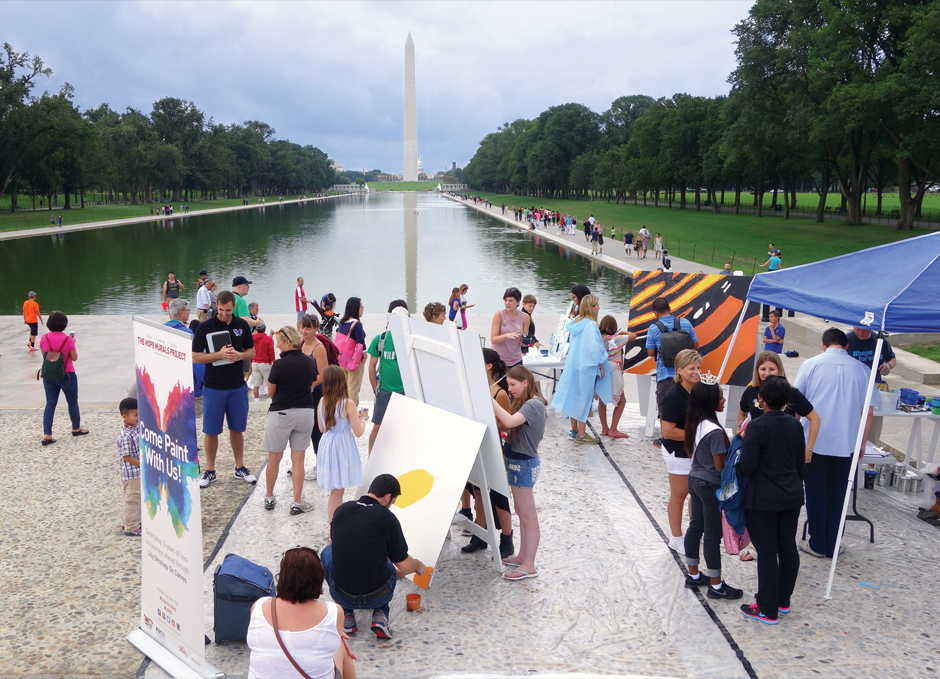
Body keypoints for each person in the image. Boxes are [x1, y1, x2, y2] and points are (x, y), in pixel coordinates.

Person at [793, 328, 873, 559]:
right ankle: (834, 544)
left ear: (823, 345)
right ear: (847, 346)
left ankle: (818, 543)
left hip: (814, 442)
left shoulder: (810, 365)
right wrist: (863, 442)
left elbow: (797, 403)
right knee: (839, 493)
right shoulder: (863, 370)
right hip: (847, 443)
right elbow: (868, 412)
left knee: (816, 492)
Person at [320, 474, 427, 640]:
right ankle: (380, 614)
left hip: (343, 593)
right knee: (389, 567)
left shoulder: (342, 510)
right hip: (377, 596)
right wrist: (419, 565)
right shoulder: (386, 517)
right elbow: (404, 566)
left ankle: (346, 614)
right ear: (387, 497)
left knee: (327, 552)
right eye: (393, 502)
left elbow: (337, 542)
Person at [739, 376, 806, 625]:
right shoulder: (795, 425)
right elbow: (800, 464)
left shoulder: (757, 426)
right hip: (791, 494)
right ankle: (782, 600)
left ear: (761, 400)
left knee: (766, 550)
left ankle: (766, 609)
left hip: (764, 498)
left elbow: (747, 466)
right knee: (787, 546)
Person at [247, 547, 356, 679]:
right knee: (341, 645)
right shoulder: (334, 612)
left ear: (282, 577)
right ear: (318, 578)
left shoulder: (258, 607)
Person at [682, 378, 744, 601]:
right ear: (710, 402)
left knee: (695, 527)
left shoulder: (696, 423)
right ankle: (716, 586)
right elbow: (720, 467)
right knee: (711, 536)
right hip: (710, 485)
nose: (724, 399)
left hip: (694, 480)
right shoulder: (715, 432)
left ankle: (694, 575)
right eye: (719, 396)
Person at [192, 290, 257, 488]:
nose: (224, 314)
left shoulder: (242, 325)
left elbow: (252, 351)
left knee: (237, 429)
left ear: (233, 308)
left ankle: (240, 468)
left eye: (228, 310)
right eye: (220, 310)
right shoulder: (206, 327)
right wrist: (218, 355)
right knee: (211, 431)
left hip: (237, 386)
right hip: (213, 387)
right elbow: (195, 356)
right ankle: (210, 471)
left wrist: (239, 356)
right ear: (216, 306)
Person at [491, 366, 546, 580]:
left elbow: (511, 422)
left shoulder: (533, 403)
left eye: (513, 385)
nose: (510, 389)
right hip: (517, 462)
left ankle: (529, 564)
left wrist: (492, 401)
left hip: (523, 464)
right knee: (522, 512)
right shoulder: (527, 402)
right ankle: (523, 555)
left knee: (528, 515)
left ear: (525, 382)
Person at [462, 348, 514, 559]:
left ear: (488, 365)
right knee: (478, 489)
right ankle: (480, 534)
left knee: (498, 494)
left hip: (493, 445)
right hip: (476, 443)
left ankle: (507, 540)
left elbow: (508, 425)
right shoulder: (475, 387)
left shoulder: (499, 393)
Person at [261, 326, 318, 515]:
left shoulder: (278, 365)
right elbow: (310, 386)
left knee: (274, 458)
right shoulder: (309, 362)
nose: (277, 345)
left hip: (282, 413)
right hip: (305, 412)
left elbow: (270, 391)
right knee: (298, 459)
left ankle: (269, 496)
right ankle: (296, 501)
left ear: (287, 342)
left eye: (278, 342)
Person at [551, 294, 611, 445]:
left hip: (574, 365)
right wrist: (601, 364)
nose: (599, 308)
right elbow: (594, 349)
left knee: (574, 396)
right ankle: (582, 434)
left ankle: (574, 430)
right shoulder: (590, 325)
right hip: (586, 368)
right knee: (584, 400)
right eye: (597, 305)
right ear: (591, 307)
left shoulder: (577, 322)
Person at [660, 349, 702, 554]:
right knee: (680, 494)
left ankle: (694, 532)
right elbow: (667, 432)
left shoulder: (699, 391)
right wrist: (696, 435)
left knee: (696, 493)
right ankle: (676, 537)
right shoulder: (673, 396)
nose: (696, 372)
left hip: (695, 451)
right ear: (680, 371)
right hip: (678, 452)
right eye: (691, 368)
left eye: (698, 368)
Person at [736, 351, 820, 453]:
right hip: (757, 449)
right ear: (757, 370)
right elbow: (742, 412)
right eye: (763, 369)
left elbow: (815, 418)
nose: (767, 373)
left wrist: (809, 448)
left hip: (784, 451)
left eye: (772, 369)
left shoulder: (791, 393)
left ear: (779, 370)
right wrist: (743, 431)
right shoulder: (750, 391)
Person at [318, 365, 367, 524]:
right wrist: (362, 419)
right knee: (337, 492)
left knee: (336, 488)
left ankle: (336, 525)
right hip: (341, 446)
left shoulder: (322, 401)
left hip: (327, 444)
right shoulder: (348, 403)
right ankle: (333, 528)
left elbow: (321, 428)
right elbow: (358, 432)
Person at [646, 297, 699, 420]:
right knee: (688, 409)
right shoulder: (685, 323)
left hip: (665, 375)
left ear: (655, 313)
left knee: (665, 412)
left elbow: (650, 352)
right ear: (670, 309)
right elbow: (696, 345)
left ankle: (667, 437)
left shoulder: (653, 328)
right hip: (686, 375)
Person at [40, 311, 88, 445]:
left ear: (49, 323)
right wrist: (72, 343)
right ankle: (76, 428)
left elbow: (45, 355)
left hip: (49, 374)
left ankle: (47, 434)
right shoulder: (68, 340)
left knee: (50, 403)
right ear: (64, 324)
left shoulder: (44, 337)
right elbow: (74, 358)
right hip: (67, 374)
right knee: (72, 401)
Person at [367, 301, 409, 452]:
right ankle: (371, 460)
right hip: (384, 390)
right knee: (378, 427)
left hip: (405, 392)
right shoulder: (381, 339)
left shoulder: (410, 340)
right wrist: (374, 389)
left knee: (403, 429)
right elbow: (371, 366)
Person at [597, 315, 636, 438]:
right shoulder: (616, 339)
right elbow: (633, 336)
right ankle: (613, 429)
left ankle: (604, 428)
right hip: (614, 374)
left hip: (602, 374)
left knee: (602, 401)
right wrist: (623, 332)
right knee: (621, 401)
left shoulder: (598, 339)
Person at [165, 299, 206, 417]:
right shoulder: (187, 335)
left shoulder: (160, 332)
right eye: (188, 310)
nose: (189, 313)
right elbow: (198, 362)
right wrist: (204, 381)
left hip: (168, 389)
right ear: (181, 312)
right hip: (189, 391)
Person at [300, 315, 329, 458]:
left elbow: (323, 374)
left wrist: (308, 385)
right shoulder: (301, 344)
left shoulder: (319, 348)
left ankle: (321, 461)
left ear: (316, 329)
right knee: (304, 428)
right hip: (304, 392)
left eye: (308, 328)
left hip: (316, 393)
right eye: (302, 327)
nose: (304, 331)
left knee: (317, 429)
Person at [336, 297, 367, 406]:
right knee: (353, 388)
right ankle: (352, 412)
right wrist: (365, 354)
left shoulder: (342, 322)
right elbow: (360, 342)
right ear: (356, 308)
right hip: (354, 360)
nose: (363, 308)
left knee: (344, 388)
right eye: (361, 306)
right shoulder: (356, 324)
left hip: (342, 359)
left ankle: (343, 409)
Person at [117, 397, 141, 537]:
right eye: (135, 415)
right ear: (124, 416)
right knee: (133, 499)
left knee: (137, 498)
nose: (138, 417)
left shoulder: (135, 429)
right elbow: (126, 456)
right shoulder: (126, 435)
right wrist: (141, 464)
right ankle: (131, 527)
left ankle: (136, 522)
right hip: (132, 474)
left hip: (137, 473)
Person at [491, 287, 530, 369]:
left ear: (518, 302)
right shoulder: (499, 315)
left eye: (511, 301)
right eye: (506, 300)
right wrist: (506, 335)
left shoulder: (525, 317)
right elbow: (493, 340)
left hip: (516, 360)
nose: (507, 303)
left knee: (518, 381)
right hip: (499, 359)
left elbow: (524, 338)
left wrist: (524, 342)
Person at [250, 323, 275, 402]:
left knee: (256, 385)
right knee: (270, 384)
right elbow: (271, 351)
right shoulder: (268, 339)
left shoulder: (252, 338)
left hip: (255, 363)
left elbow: (251, 350)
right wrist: (273, 361)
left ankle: (256, 400)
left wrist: (251, 362)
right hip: (265, 363)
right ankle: (273, 400)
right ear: (264, 329)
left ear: (256, 330)